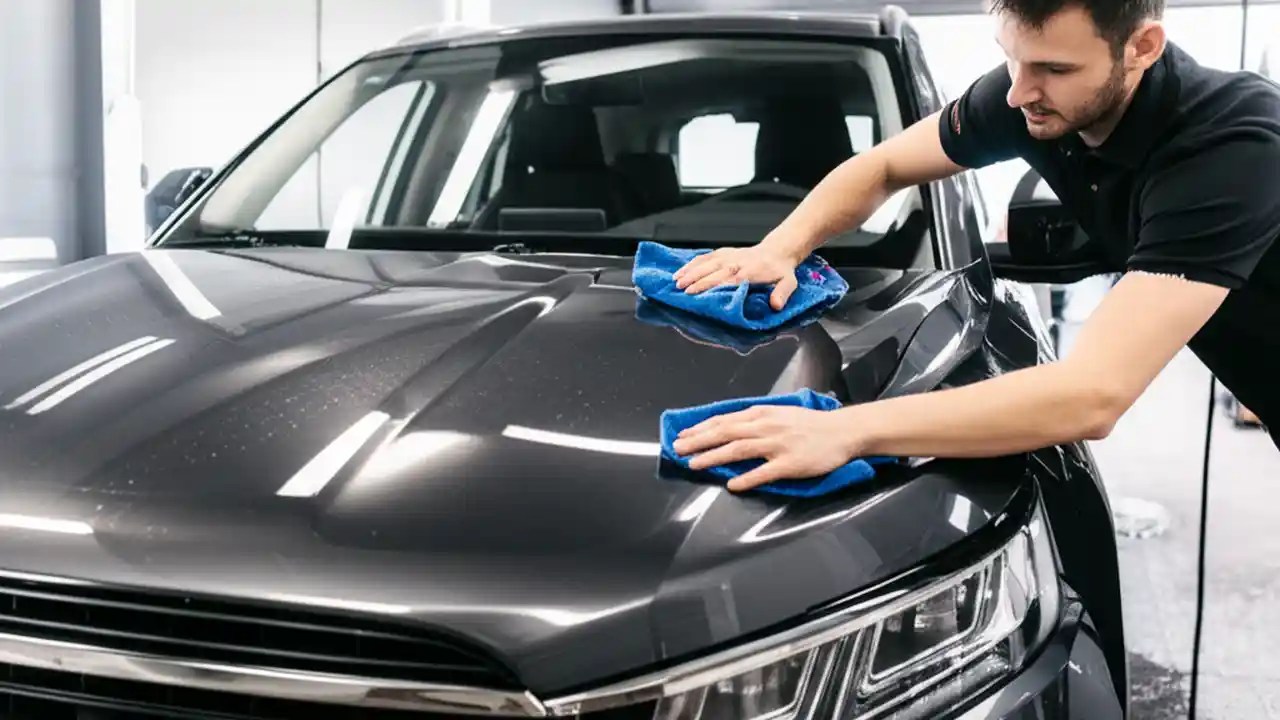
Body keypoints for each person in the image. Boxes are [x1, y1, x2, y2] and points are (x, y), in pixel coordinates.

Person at [670, 0, 1280, 492]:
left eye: (1053, 69)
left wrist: (848, 431)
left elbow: (1094, 393)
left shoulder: (1230, 149)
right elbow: (883, 166)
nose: (1019, 93)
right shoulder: (1028, 101)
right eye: (1012, 61)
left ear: (1142, 47)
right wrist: (781, 248)